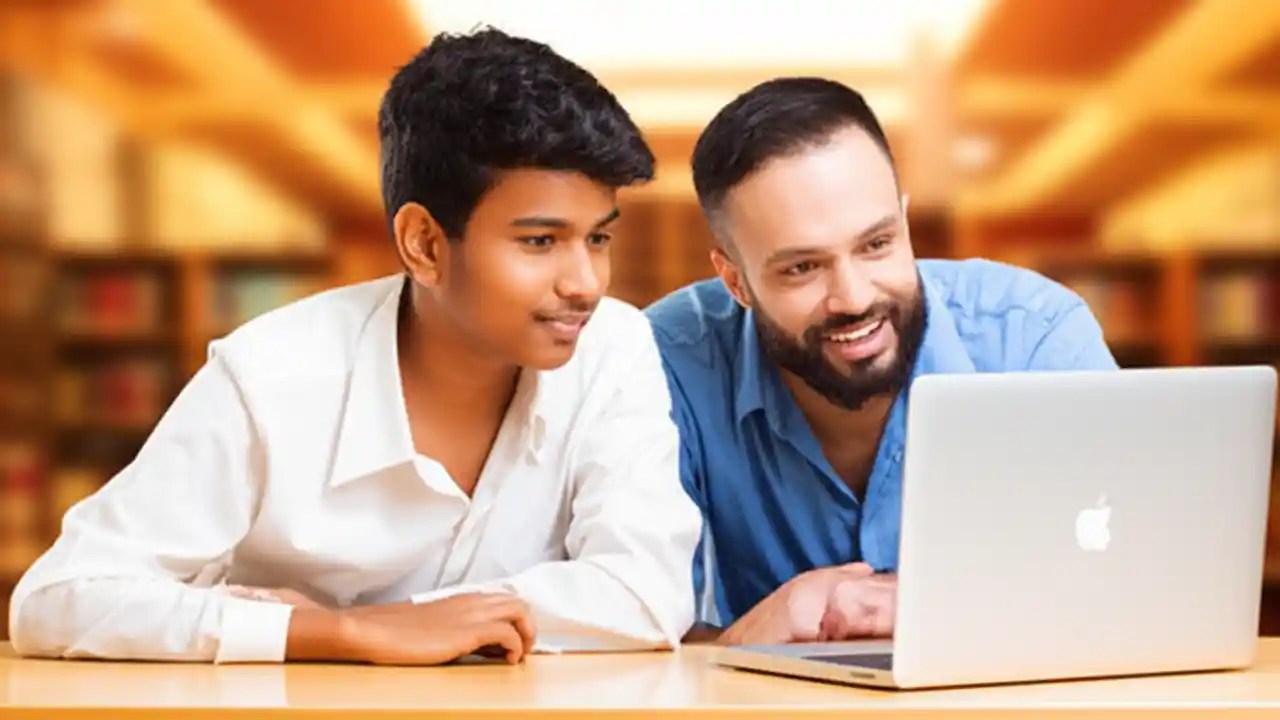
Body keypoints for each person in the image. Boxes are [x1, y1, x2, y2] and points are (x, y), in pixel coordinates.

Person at [9, 28, 700, 665]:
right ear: (424, 244)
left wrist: (405, 622)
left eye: (598, 238)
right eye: (540, 241)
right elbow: (59, 599)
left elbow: (649, 592)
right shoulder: (270, 373)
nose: (585, 282)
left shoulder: (613, 344)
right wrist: (340, 633)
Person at [645, 77, 1117, 645]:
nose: (855, 298)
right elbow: (634, 637)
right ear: (735, 280)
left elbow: (1129, 584)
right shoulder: (663, 363)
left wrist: (939, 608)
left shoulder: (1035, 336)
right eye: (802, 268)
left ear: (906, 224)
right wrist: (741, 642)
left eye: (876, 244)